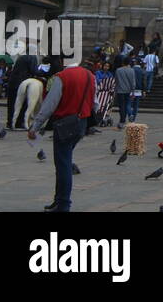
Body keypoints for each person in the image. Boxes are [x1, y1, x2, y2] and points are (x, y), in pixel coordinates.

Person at [29, 60, 95, 212]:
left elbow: (50, 104)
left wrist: (35, 126)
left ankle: (63, 204)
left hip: (65, 124)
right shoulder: (90, 76)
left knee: (63, 164)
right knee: (65, 160)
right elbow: (95, 102)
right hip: (81, 123)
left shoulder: (62, 77)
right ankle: (58, 200)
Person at [5, 53, 38, 130]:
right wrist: (45, 72)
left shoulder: (21, 57)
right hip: (22, 83)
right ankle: (19, 122)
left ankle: (10, 122)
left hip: (13, 82)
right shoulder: (32, 57)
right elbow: (34, 70)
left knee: (12, 104)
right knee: (23, 104)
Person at [113, 54, 138, 125]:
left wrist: (115, 90)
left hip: (120, 91)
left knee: (121, 106)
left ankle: (122, 120)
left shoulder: (118, 70)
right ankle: (129, 115)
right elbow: (133, 82)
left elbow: (116, 81)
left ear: (122, 62)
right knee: (127, 104)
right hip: (128, 91)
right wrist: (133, 92)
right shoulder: (132, 70)